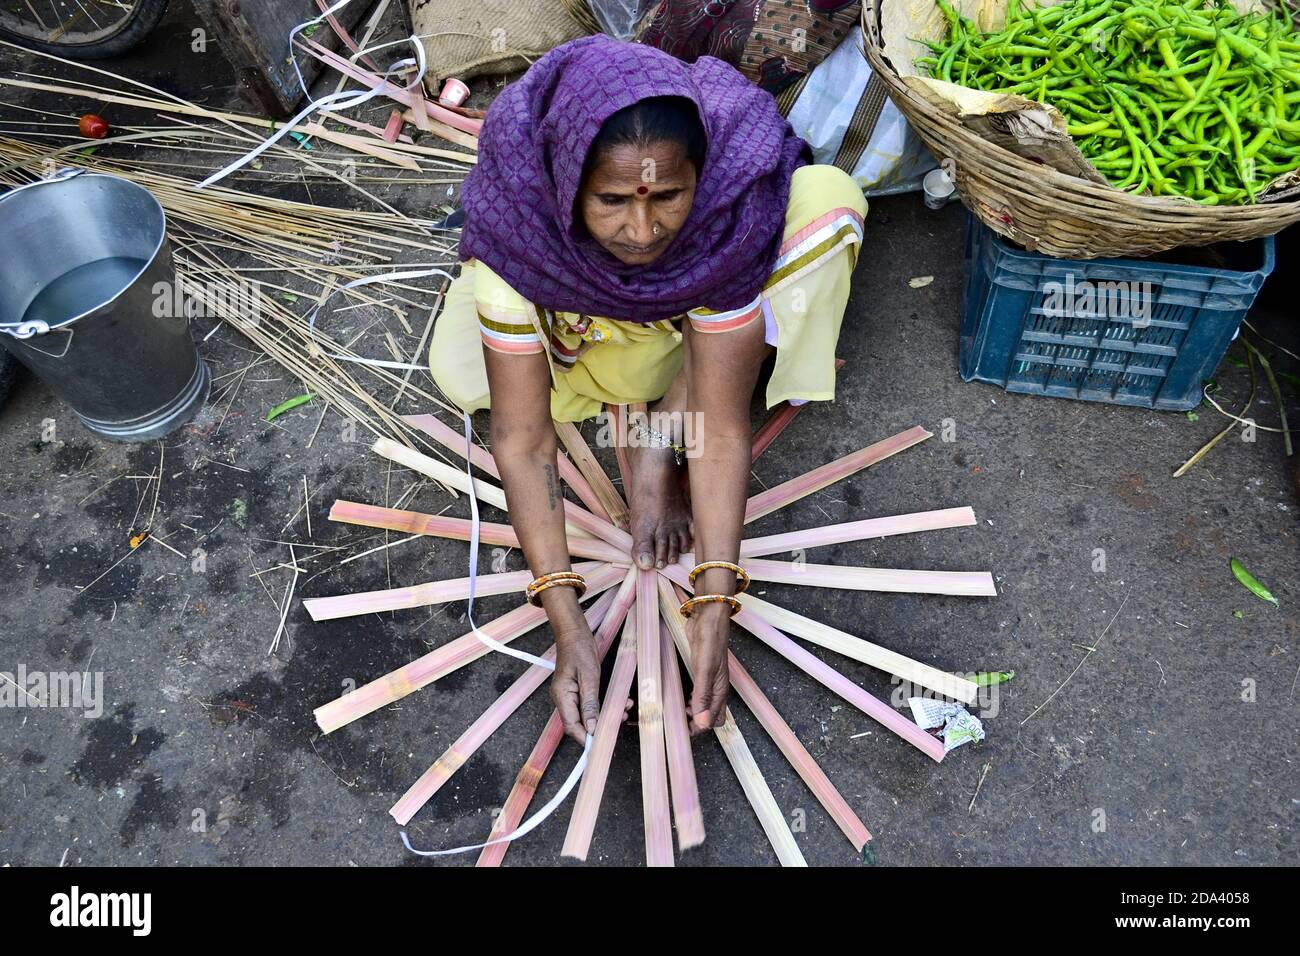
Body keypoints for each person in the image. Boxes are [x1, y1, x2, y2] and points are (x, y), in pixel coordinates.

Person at [430, 35, 867, 746]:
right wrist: (566, 620)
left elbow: (723, 431)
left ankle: (665, 425)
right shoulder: (526, 217)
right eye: (609, 200)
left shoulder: (728, 212)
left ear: (702, 176)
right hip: (588, 306)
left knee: (830, 203)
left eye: (668, 195)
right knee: (464, 372)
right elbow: (523, 436)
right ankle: (664, 374)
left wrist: (716, 597)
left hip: (695, 303)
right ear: (569, 182)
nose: (641, 228)